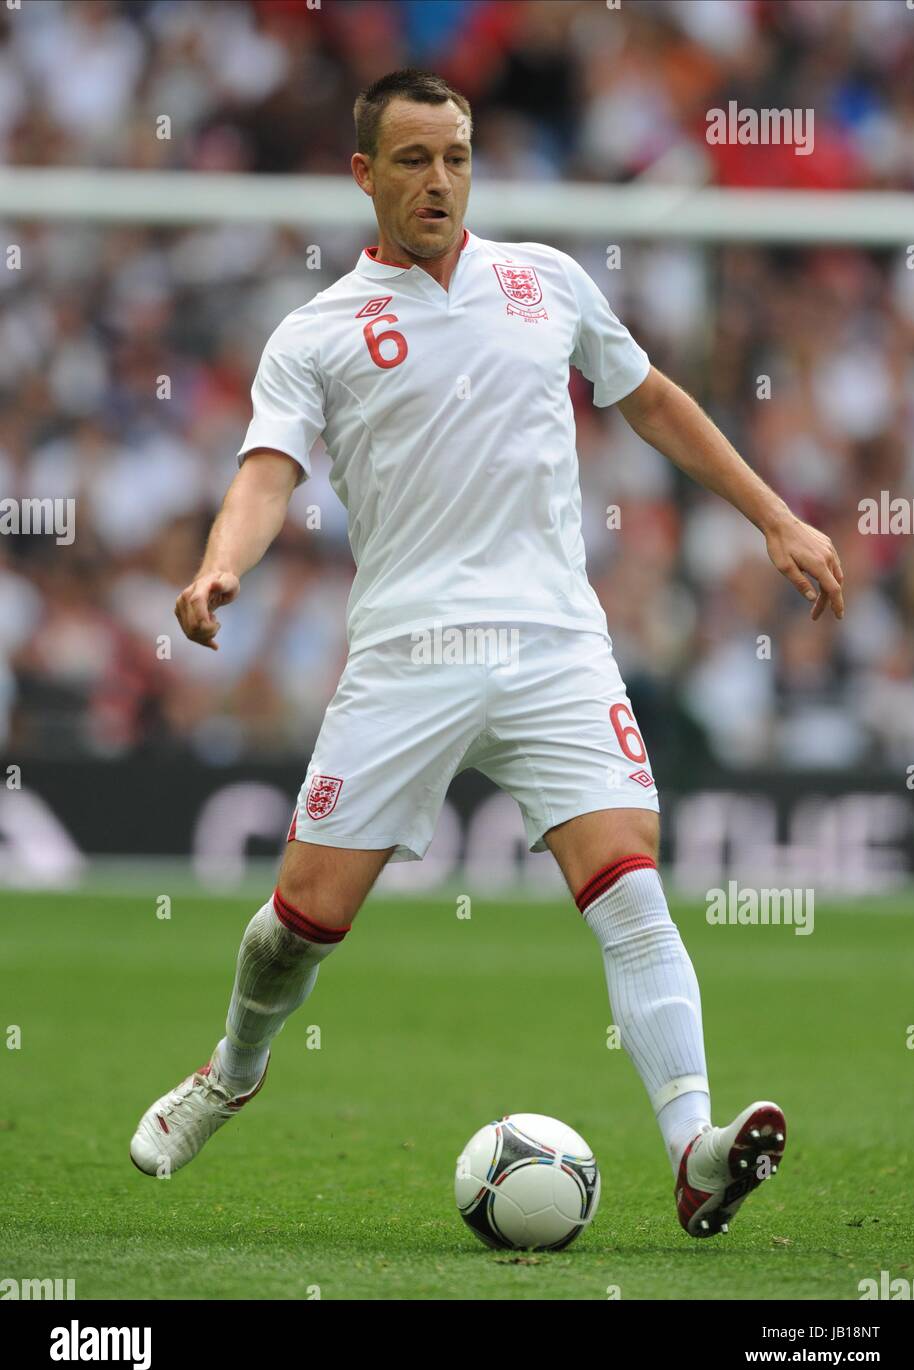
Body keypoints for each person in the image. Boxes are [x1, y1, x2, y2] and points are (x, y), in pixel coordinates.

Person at [130, 69, 844, 1238]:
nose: (440, 180)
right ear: (364, 174)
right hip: (408, 654)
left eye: (456, 156)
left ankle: (695, 1151)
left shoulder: (544, 281)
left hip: (557, 643)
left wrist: (773, 513)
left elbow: (650, 397)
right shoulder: (315, 334)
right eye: (413, 160)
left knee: (630, 888)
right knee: (297, 922)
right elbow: (268, 473)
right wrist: (223, 566)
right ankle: (232, 1070)